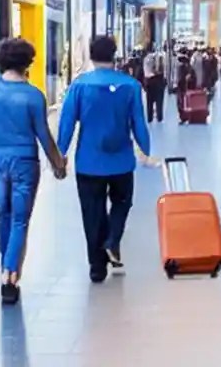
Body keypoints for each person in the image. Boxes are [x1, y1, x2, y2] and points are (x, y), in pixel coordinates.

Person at [0, 38, 68, 305]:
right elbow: (43, 136)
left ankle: (6, 268)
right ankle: (9, 276)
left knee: (4, 213)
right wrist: (58, 164)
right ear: (28, 63)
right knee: (20, 219)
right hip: (24, 162)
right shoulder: (34, 96)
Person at [57, 36, 152, 284]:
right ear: (115, 55)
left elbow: (67, 123)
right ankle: (112, 239)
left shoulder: (79, 86)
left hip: (88, 162)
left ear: (91, 55)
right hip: (121, 161)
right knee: (122, 202)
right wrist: (146, 148)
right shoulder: (130, 86)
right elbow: (138, 123)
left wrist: (60, 154)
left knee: (92, 212)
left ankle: (96, 267)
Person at [142, 48, 167, 123]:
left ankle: (150, 117)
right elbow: (162, 69)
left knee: (149, 101)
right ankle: (159, 117)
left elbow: (143, 71)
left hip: (149, 81)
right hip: (158, 80)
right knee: (159, 100)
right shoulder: (160, 58)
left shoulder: (145, 59)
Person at [175, 50, 198, 123]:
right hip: (185, 87)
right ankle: (186, 116)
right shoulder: (189, 67)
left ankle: (184, 117)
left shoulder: (182, 66)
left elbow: (181, 78)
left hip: (182, 86)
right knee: (183, 102)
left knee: (181, 102)